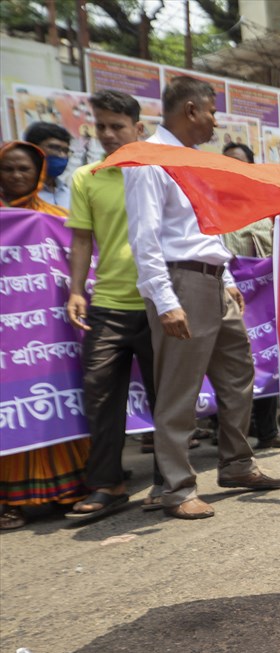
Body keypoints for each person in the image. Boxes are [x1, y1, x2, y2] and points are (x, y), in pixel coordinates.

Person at [123, 76, 280, 521]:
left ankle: (237, 464)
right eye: (212, 111)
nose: (215, 121)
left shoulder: (192, 162)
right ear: (191, 110)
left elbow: (205, 229)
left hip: (213, 280)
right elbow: (145, 238)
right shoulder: (149, 162)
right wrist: (165, 300)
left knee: (238, 375)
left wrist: (227, 274)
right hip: (181, 283)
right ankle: (176, 487)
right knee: (179, 388)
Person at [61, 90, 166, 522]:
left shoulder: (159, 172)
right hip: (107, 306)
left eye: (117, 126)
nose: (107, 133)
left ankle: (169, 481)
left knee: (167, 400)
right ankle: (108, 485)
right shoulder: (86, 177)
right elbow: (82, 239)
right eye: (101, 125)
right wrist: (76, 290)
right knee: (101, 396)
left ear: (138, 129)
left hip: (159, 304)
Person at [0, 141, 89, 530]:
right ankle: (10, 502)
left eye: (24, 169)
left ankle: (67, 490)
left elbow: (81, 265)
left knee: (60, 405)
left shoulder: (56, 219)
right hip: (9, 342)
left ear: (37, 173)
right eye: (8, 169)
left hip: (51, 338)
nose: (16, 176)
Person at [220, 141, 280, 451]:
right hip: (231, 291)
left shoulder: (264, 202)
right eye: (226, 163)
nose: (232, 169)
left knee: (267, 357)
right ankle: (228, 433)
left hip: (264, 295)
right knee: (232, 363)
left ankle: (268, 432)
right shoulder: (215, 205)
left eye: (238, 163)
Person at [23, 121, 72, 210]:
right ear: (33, 149)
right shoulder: (20, 195)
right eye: (54, 148)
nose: (62, 155)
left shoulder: (70, 193)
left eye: (65, 151)